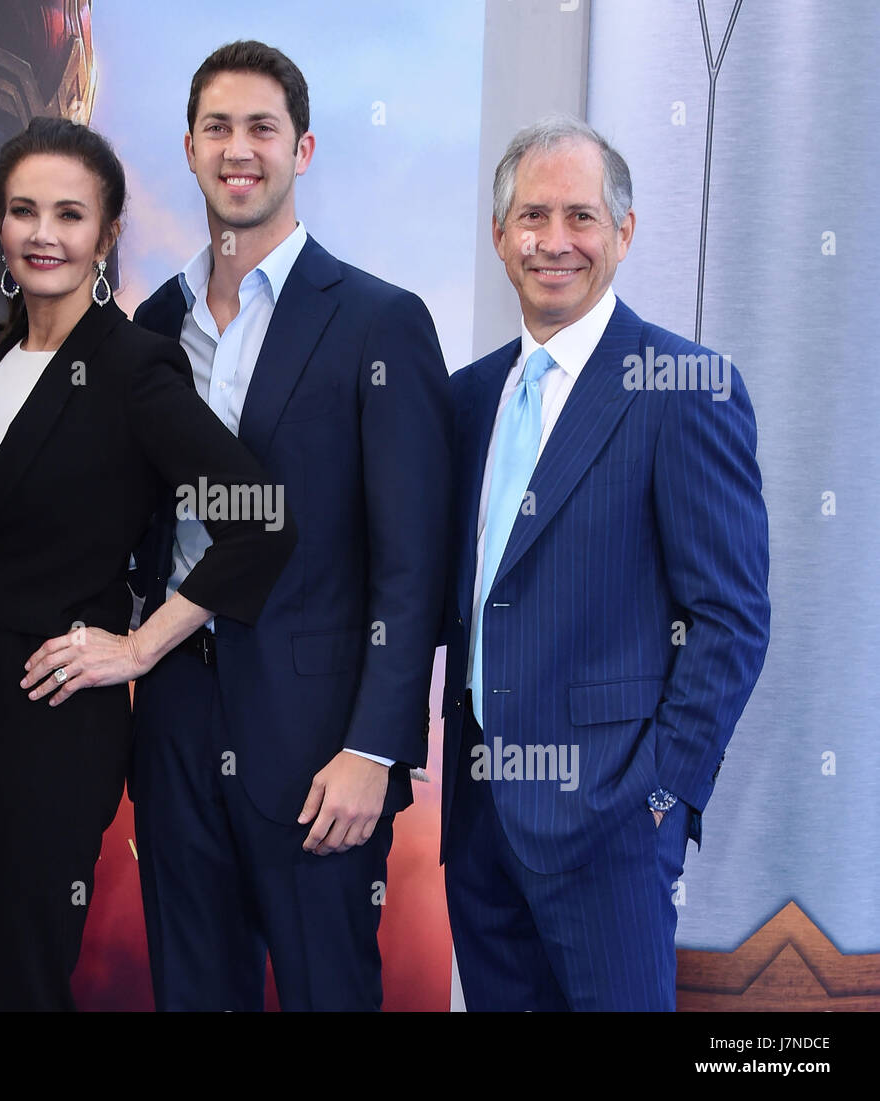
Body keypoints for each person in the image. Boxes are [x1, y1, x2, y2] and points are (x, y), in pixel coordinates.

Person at [0, 116, 296, 1011]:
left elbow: (262, 520)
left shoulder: (133, 367)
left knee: (20, 978)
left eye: (70, 214)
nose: (44, 234)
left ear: (106, 233)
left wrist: (136, 647)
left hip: (48, 727)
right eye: (23, 211)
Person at [129, 40, 453, 1011]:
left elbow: (414, 563)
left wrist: (375, 748)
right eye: (218, 128)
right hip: (178, 735)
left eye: (261, 128)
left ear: (301, 149)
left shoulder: (377, 323)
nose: (239, 149)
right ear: (187, 148)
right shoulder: (147, 327)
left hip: (321, 750)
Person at [439, 115, 771, 1011]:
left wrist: (658, 801)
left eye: (581, 217)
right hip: (479, 828)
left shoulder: (684, 388)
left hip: (613, 830)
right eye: (533, 217)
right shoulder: (468, 399)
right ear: (501, 236)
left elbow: (731, 620)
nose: (555, 242)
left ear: (623, 233)